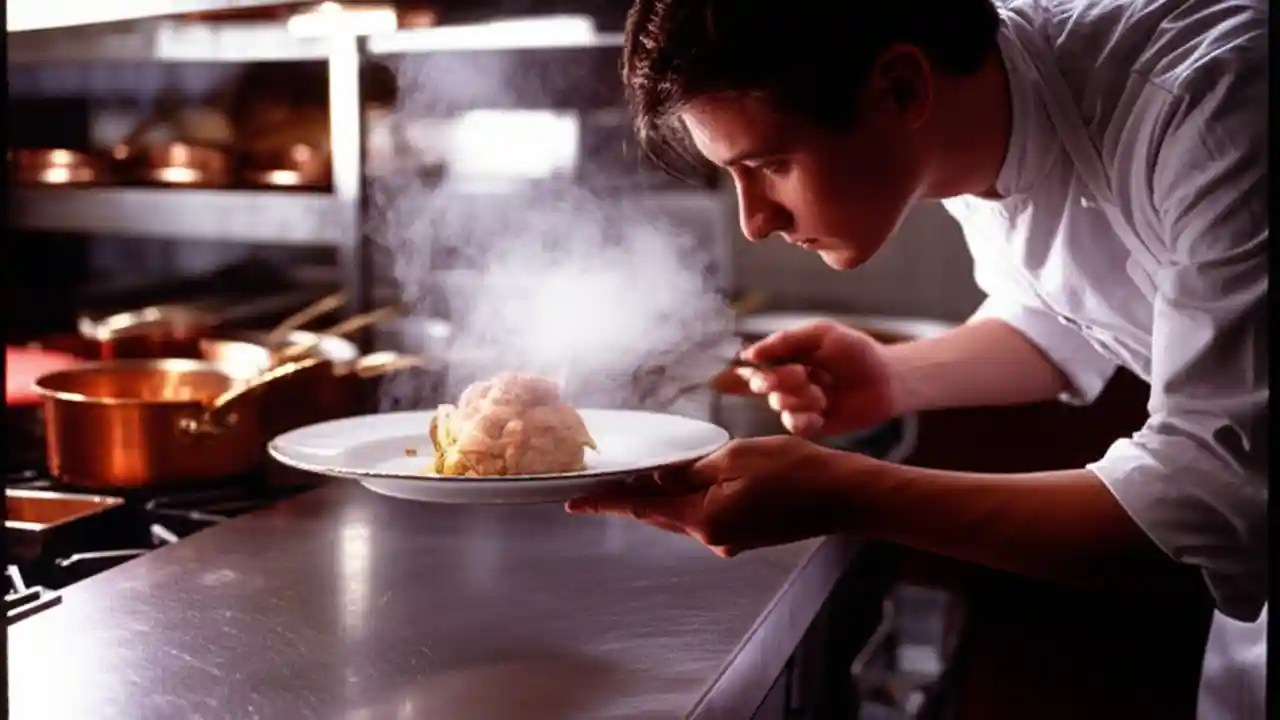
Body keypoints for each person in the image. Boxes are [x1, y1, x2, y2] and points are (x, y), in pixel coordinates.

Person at [566, 1, 1268, 717]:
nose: (755, 222)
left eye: (771, 163)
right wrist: (896, 375)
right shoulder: (978, 111)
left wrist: (849, 493)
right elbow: (1079, 310)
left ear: (900, 88)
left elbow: (1205, 503)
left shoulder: (1218, 107)